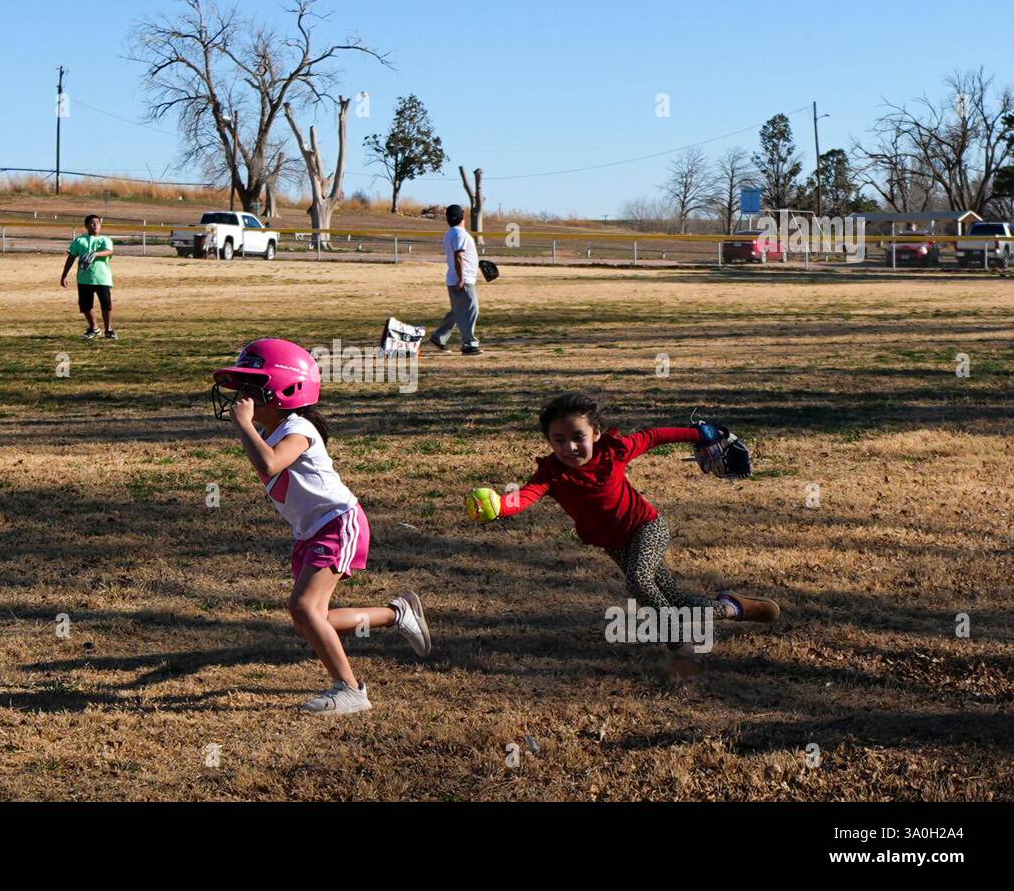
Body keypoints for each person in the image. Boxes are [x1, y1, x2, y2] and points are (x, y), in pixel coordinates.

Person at [469, 391, 779, 671]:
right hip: (614, 544)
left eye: (579, 436)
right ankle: (733, 607)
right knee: (674, 598)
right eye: (559, 439)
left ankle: (683, 648)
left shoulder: (614, 451)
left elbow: (654, 436)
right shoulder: (552, 474)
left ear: (597, 433)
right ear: (549, 441)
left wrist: (699, 432)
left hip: (647, 527)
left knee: (639, 581)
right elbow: (526, 495)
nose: (570, 447)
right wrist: (499, 506)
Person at [212, 338, 432, 714]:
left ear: (286, 390)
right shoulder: (276, 430)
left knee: (303, 609)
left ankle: (350, 690)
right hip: (313, 530)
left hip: (338, 524)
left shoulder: (299, 429)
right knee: (317, 618)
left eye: (252, 388)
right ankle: (398, 614)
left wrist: (244, 426)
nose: (241, 397)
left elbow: (270, 466)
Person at [428, 204, 481, 355]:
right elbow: (458, 256)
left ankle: (439, 338)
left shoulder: (450, 233)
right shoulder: (460, 233)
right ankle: (469, 344)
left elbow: (461, 256)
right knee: (471, 309)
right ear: (462, 217)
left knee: (458, 311)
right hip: (462, 279)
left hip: (454, 278)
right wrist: (461, 278)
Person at [61, 214, 117, 340]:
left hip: (102, 278)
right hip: (84, 278)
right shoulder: (80, 241)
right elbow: (71, 257)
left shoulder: (104, 239)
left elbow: (109, 251)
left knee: (106, 305)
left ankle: (109, 330)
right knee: (86, 306)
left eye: (97, 222)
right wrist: (64, 275)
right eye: (92, 222)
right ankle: (94, 328)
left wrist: (96, 254)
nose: (95, 224)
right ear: (86, 226)